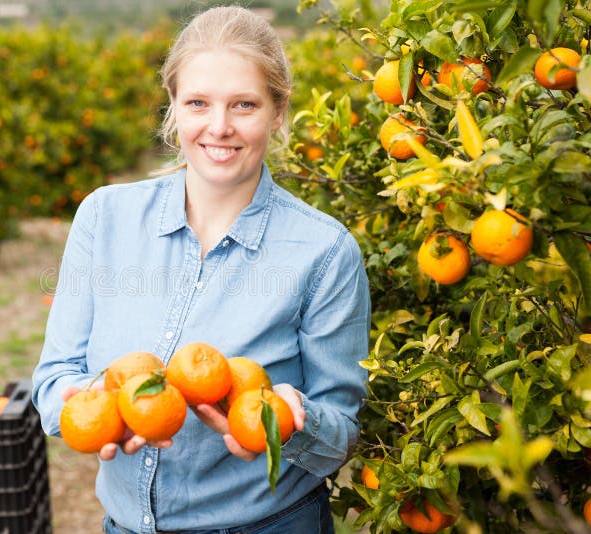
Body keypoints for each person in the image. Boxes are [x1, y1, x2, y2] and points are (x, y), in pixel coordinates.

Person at [32, 6, 370, 533]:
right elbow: (54, 380)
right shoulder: (104, 218)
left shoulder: (323, 252)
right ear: (174, 106)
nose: (219, 127)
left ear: (278, 111)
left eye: (244, 105)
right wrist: (92, 410)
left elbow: (341, 436)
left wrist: (290, 420)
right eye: (198, 103)